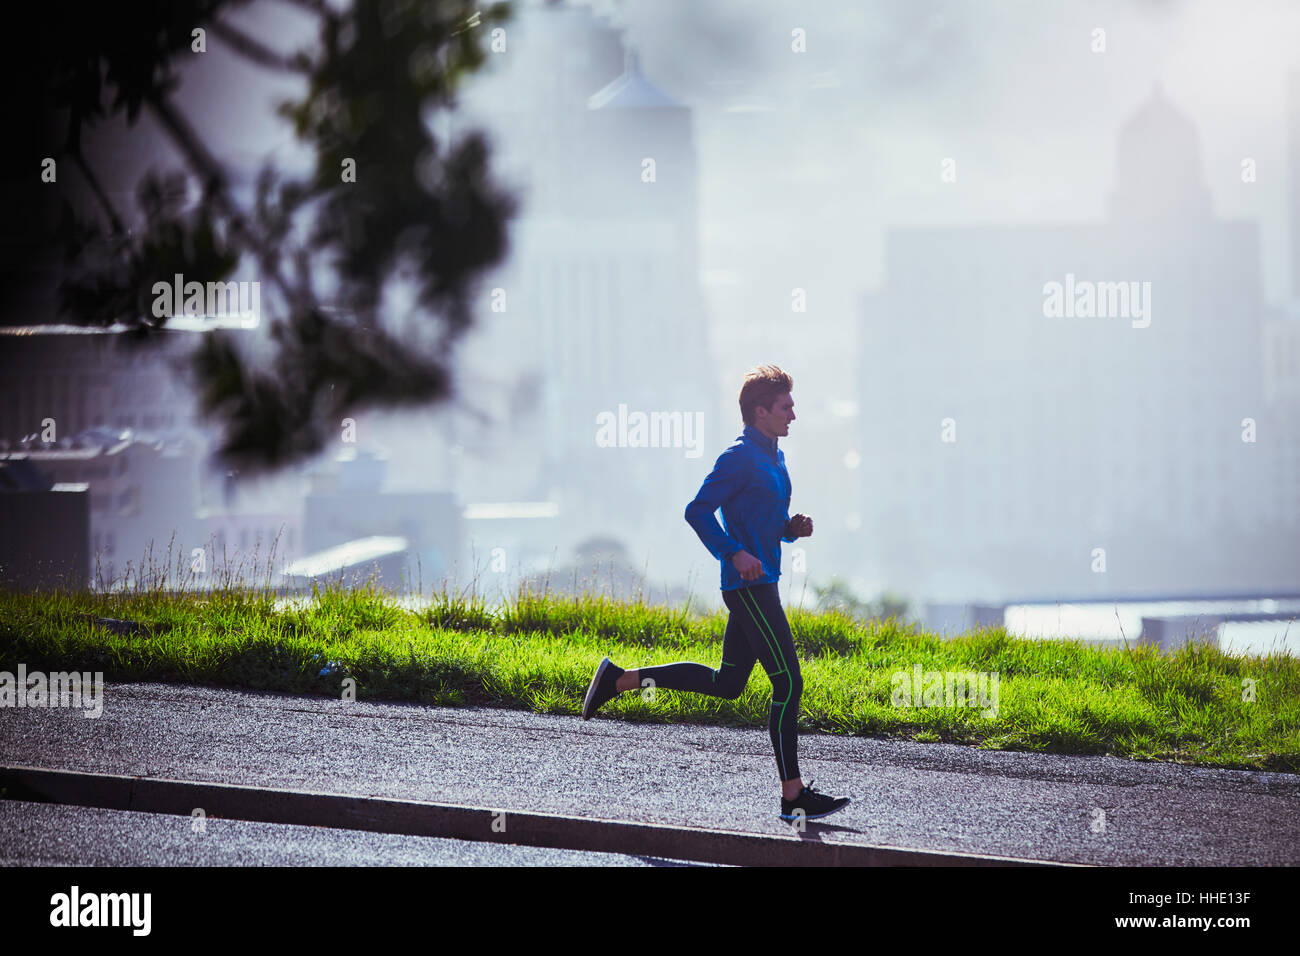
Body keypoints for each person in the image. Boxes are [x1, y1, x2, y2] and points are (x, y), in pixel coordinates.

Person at [581, 364, 850, 822]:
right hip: (748, 588)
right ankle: (793, 796)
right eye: (786, 406)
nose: (794, 415)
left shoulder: (774, 457)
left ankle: (619, 679)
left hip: (760, 582)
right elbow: (698, 511)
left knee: (728, 683)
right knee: (788, 683)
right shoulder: (739, 457)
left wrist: (789, 530)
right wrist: (733, 553)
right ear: (760, 411)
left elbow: (759, 518)